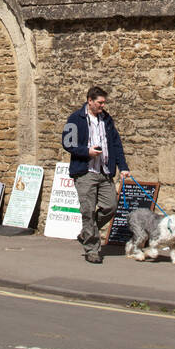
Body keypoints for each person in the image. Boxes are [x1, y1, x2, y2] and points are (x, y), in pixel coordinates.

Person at [62, 85, 130, 263]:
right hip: (86, 173)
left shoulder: (106, 119)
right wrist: (87, 151)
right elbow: (68, 143)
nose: (103, 106)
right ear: (90, 101)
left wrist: (123, 166)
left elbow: (116, 144)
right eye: (100, 102)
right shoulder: (75, 118)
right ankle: (92, 250)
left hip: (105, 171)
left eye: (104, 102)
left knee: (111, 206)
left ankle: (86, 232)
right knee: (88, 211)